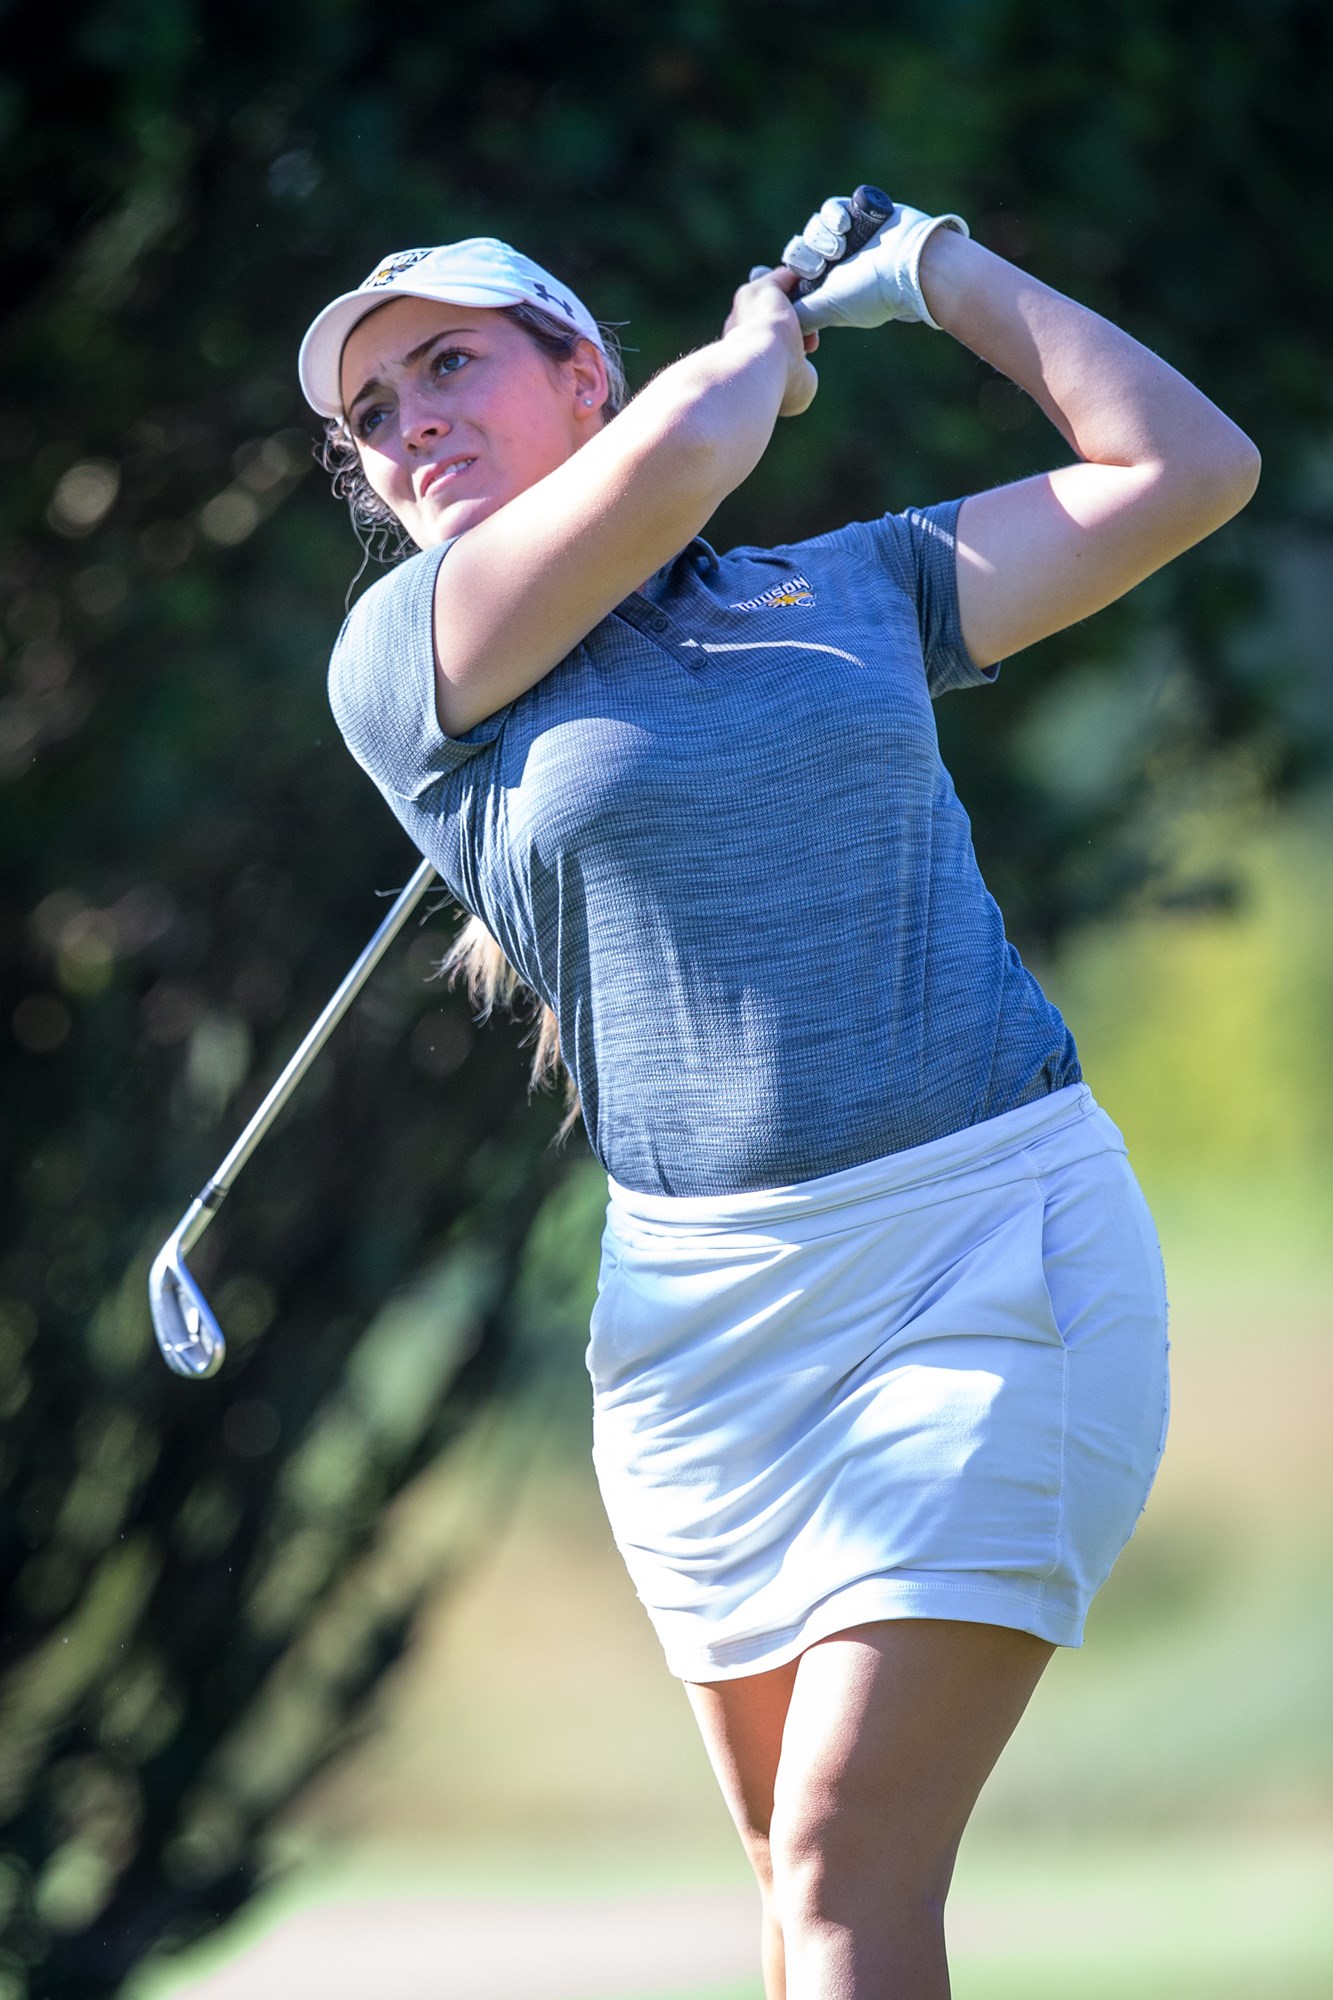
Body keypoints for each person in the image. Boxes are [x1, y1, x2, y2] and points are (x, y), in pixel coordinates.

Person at [297, 203, 1259, 1999]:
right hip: (695, 1337)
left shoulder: (862, 589)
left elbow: (1186, 464)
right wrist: (751, 353)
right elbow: (679, 464)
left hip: (987, 1251)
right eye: (370, 412)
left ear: (576, 372)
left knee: (838, 1866)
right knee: (801, 1895)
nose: (408, 419)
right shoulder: (405, 665)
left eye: (450, 363)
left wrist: (939, 275)